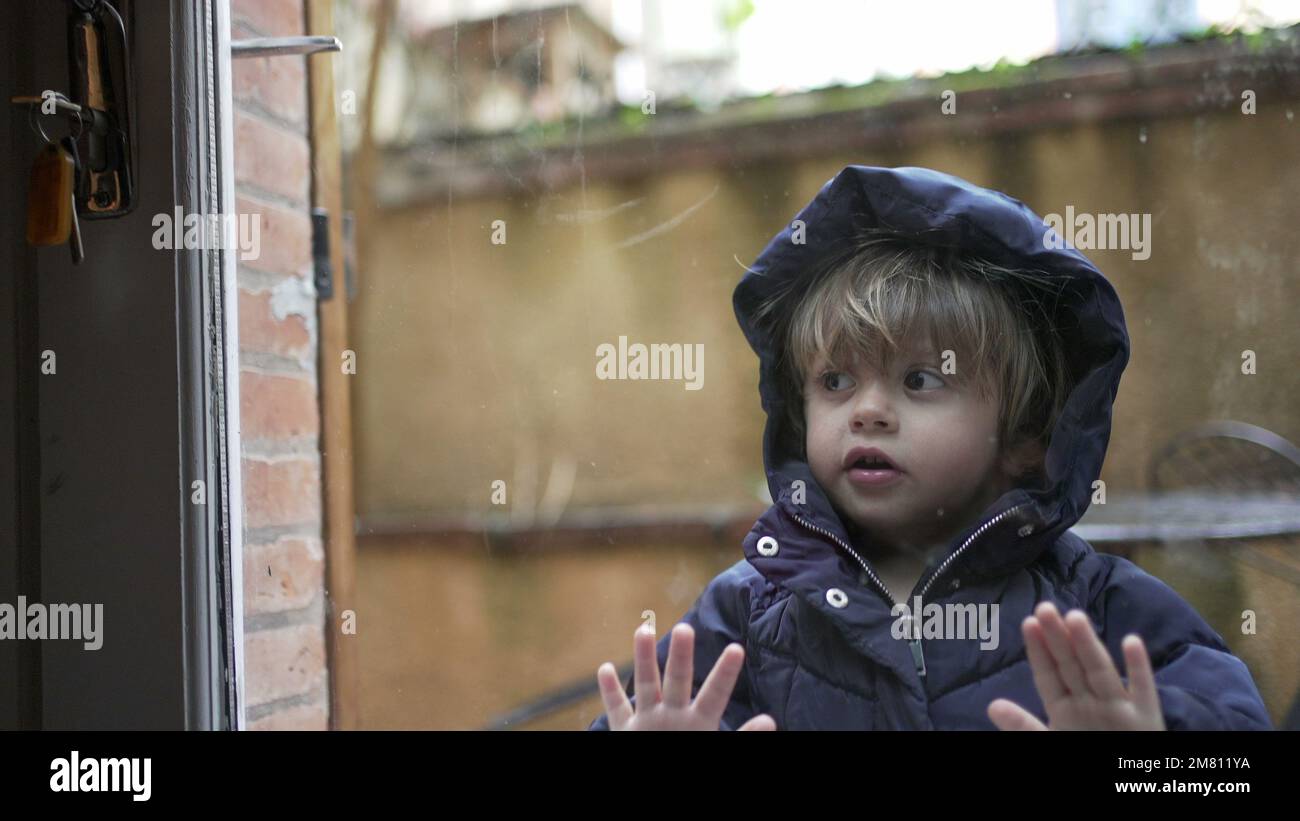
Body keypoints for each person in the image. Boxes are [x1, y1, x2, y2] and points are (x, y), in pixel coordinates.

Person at [588, 165, 1272, 731]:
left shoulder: (1098, 607)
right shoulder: (750, 611)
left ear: (1026, 437)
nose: (868, 410)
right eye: (835, 381)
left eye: (920, 379)